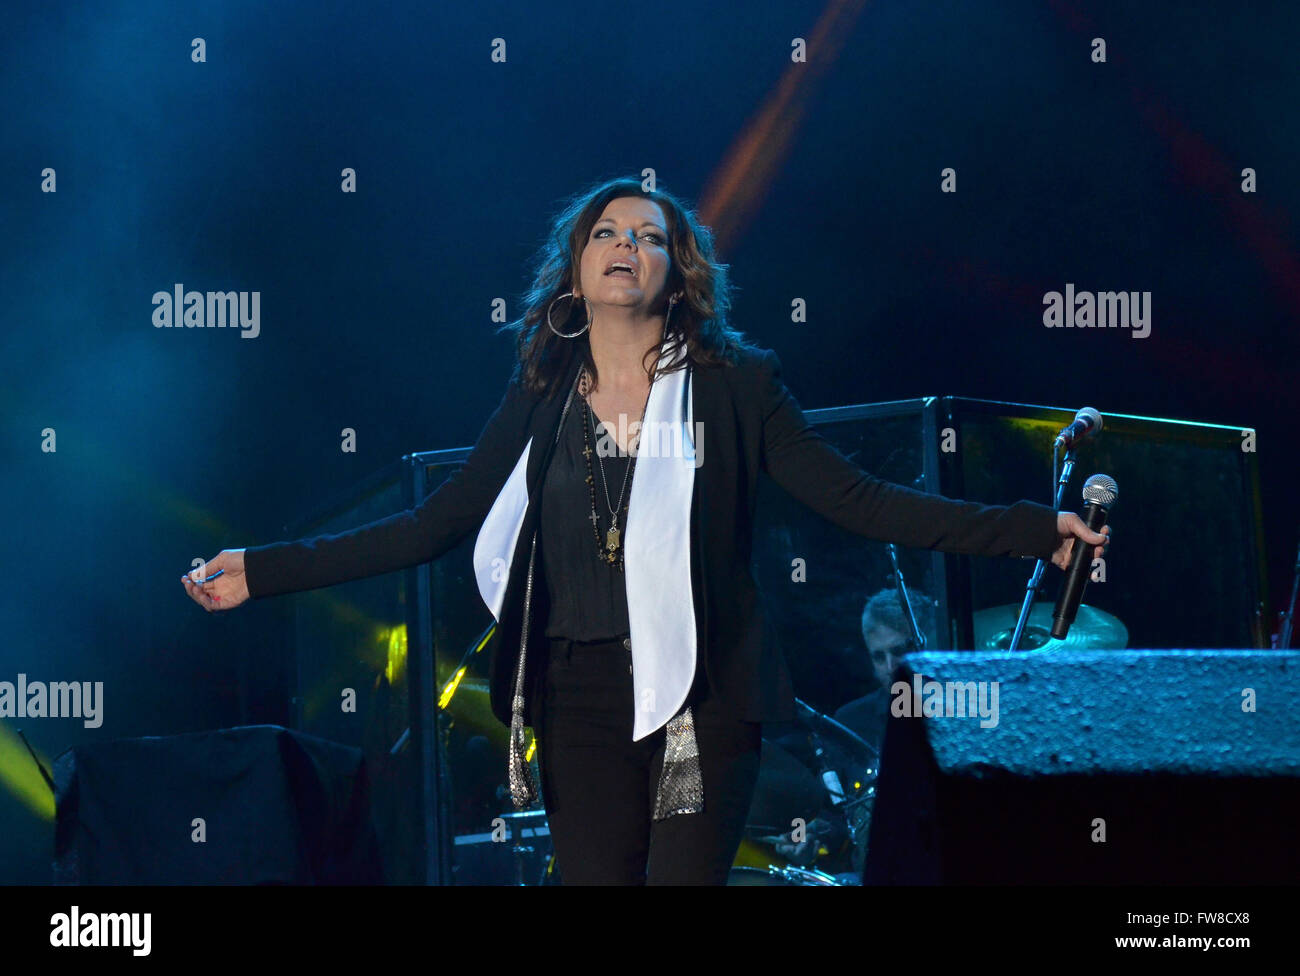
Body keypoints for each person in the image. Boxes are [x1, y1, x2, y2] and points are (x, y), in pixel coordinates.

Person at [180, 176, 1110, 885]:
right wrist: (263, 571)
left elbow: (862, 500)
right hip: (576, 694)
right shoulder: (541, 396)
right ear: (577, 267)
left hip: (700, 702)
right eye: (607, 233)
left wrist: (1034, 529)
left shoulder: (737, 386)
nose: (626, 244)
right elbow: (432, 525)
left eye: (649, 236)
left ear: (678, 273)